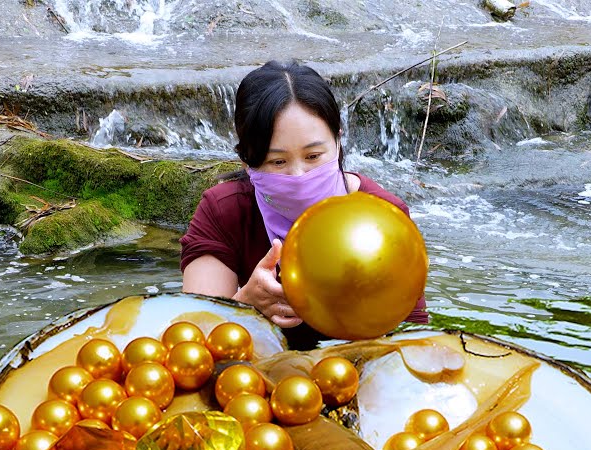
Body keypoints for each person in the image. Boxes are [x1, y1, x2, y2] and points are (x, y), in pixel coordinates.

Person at [179, 60, 429, 347]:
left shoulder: (383, 218)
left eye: (313, 157)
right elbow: (190, 346)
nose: (298, 175)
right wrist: (245, 305)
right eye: (278, 161)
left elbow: (410, 345)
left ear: (337, 140)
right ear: (246, 161)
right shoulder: (224, 212)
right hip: (249, 380)